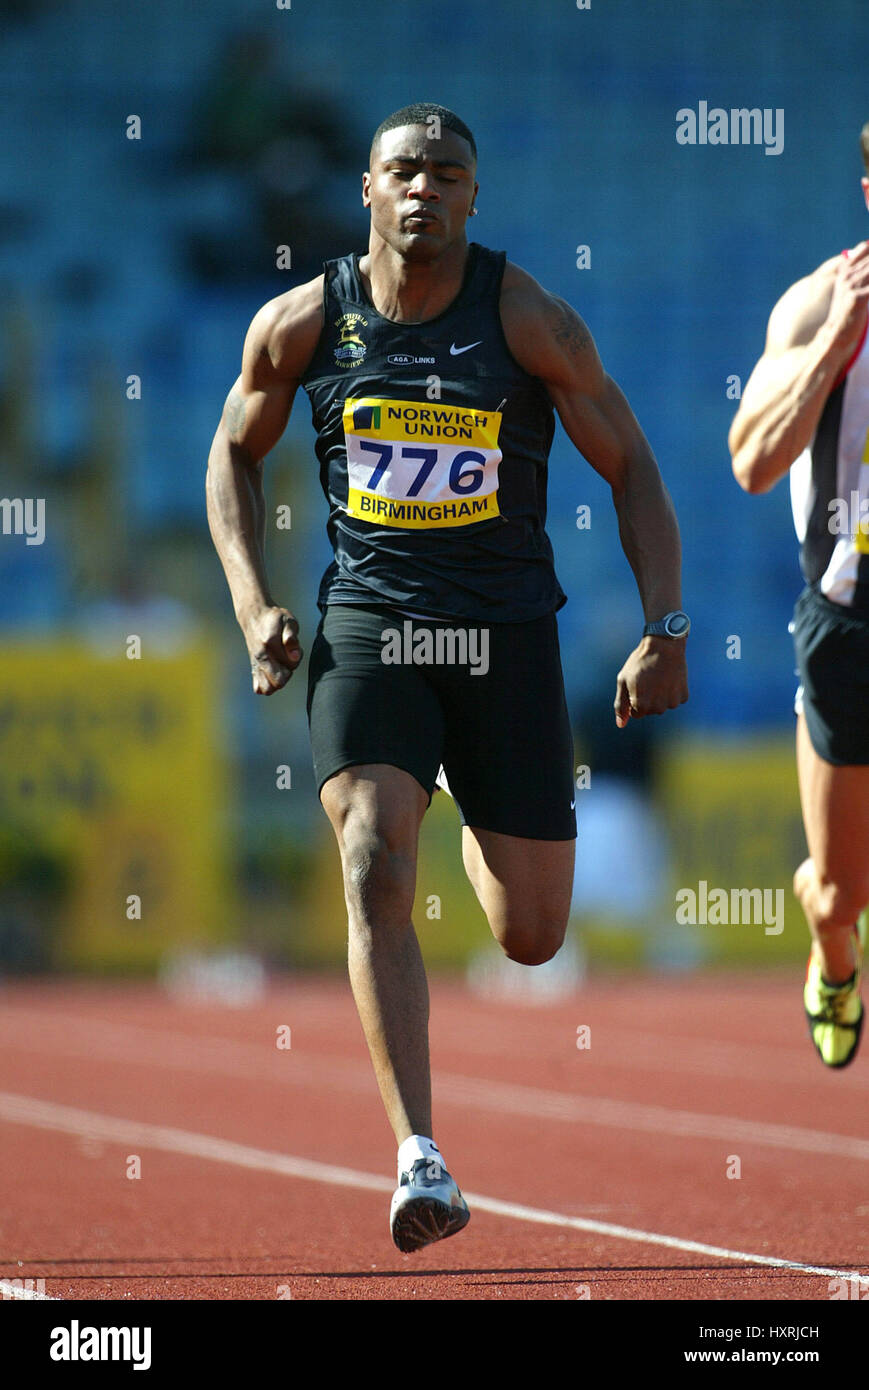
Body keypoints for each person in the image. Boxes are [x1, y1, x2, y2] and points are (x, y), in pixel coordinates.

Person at [206, 103, 689, 1251]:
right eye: (404, 172)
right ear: (365, 190)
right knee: (373, 853)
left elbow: (630, 467)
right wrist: (253, 602)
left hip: (503, 639)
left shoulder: (525, 319)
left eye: (448, 174)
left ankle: (472, 794)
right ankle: (417, 1151)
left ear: (475, 197)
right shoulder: (302, 323)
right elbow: (233, 449)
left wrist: (664, 625)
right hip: (371, 624)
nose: (425, 190)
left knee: (530, 936)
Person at [729, 123, 869, 1069]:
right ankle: (830, 946)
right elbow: (750, 462)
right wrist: (832, 350)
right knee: (837, 889)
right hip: (849, 621)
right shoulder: (818, 301)